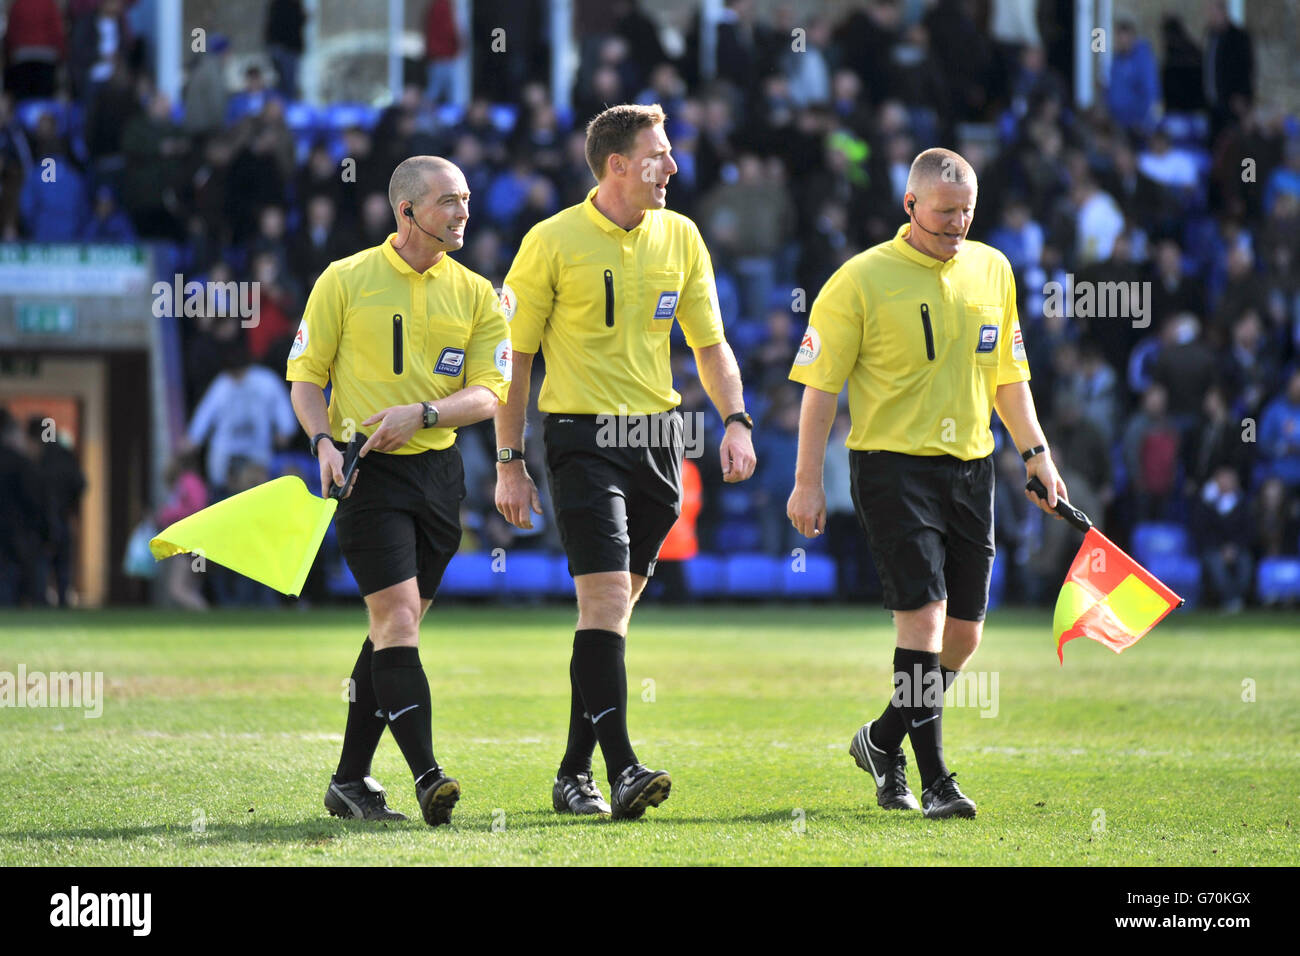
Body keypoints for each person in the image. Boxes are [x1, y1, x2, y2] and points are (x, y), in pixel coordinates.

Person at [786, 147, 1067, 819]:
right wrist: (806, 483)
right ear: (909, 206)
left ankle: (883, 741)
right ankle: (936, 778)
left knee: (964, 637)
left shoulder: (994, 269)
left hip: (972, 469)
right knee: (924, 620)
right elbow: (819, 391)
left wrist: (1036, 454)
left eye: (968, 211)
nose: (957, 224)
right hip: (891, 467)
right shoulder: (858, 280)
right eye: (944, 212)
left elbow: (1008, 375)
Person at [494, 103, 757, 820]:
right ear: (617, 164)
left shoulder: (683, 236)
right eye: (659, 155)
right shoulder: (549, 242)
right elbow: (513, 362)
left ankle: (571, 774)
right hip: (580, 439)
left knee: (610, 618)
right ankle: (623, 769)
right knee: (605, 603)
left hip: (660, 441)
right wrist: (509, 460)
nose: (672, 166)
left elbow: (710, 345)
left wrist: (735, 419)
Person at [287, 155, 511, 826]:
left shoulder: (477, 292)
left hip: (440, 475)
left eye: (467, 199)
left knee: (393, 632)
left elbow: (490, 392)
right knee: (398, 623)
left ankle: (349, 782)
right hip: (367, 473)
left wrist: (427, 413)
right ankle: (428, 777)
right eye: (449, 201)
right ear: (407, 211)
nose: (464, 212)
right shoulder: (345, 279)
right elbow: (305, 376)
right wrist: (323, 442)